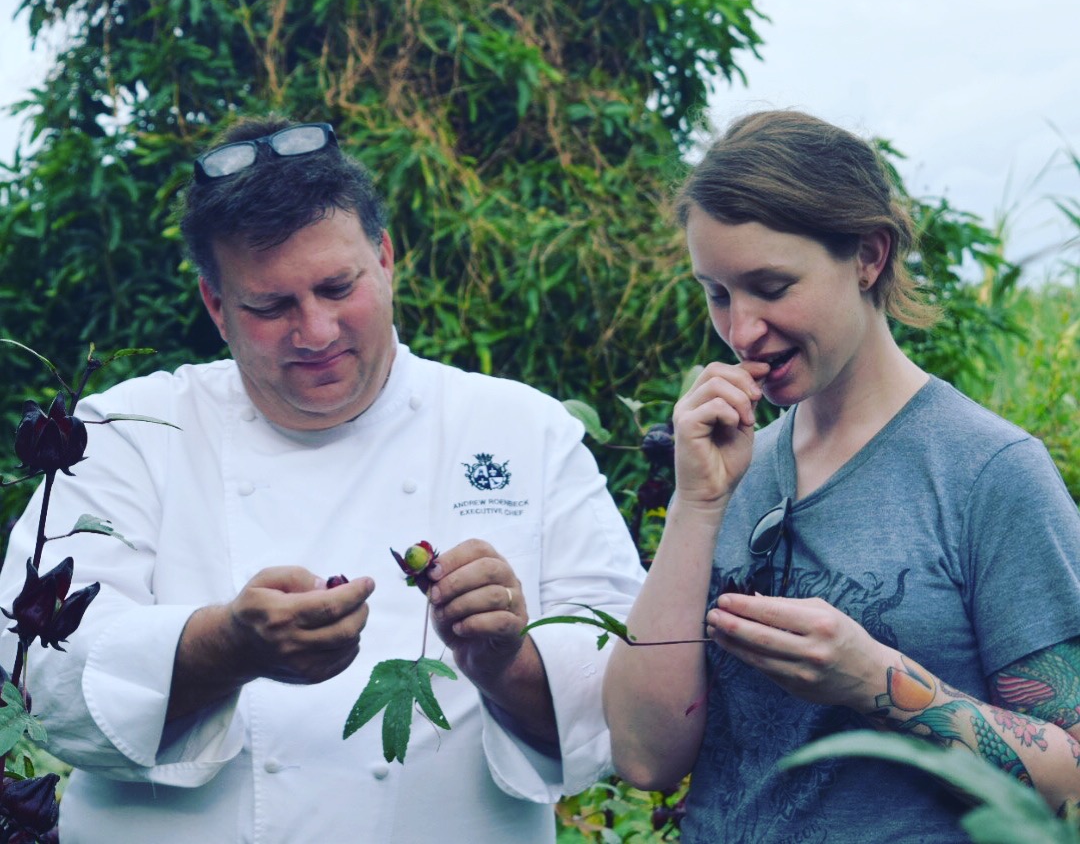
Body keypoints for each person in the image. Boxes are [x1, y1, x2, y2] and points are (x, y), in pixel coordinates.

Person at [0, 117, 645, 844]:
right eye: (271, 306)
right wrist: (232, 642)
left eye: (338, 287)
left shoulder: (523, 431)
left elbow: (622, 703)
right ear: (217, 307)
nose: (315, 331)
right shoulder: (126, 433)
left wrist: (503, 660)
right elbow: (45, 682)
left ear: (387, 259)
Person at [602, 110, 1080, 842]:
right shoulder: (734, 470)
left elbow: (1072, 782)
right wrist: (697, 503)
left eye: (771, 285)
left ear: (868, 256)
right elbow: (644, 757)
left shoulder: (989, 474)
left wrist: (873, 681)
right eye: (718, 293)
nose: (742, 330)